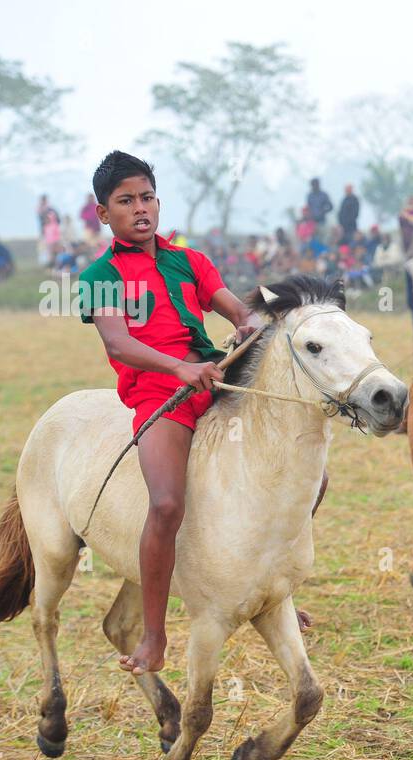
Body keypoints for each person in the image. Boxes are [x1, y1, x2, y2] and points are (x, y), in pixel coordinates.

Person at [76, 151, 267, 674]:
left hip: (215, 380)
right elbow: (118, 345)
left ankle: (272, 587)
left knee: (300, 469)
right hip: (159, 397)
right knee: (165, 505)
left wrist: (250, 324)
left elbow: (236, 309)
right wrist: (177, 369)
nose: (140, 209)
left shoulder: (191, 260)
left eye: (147, 197)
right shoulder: (99, 275)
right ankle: (154, 637)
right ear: (103, 213)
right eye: (126, 201)